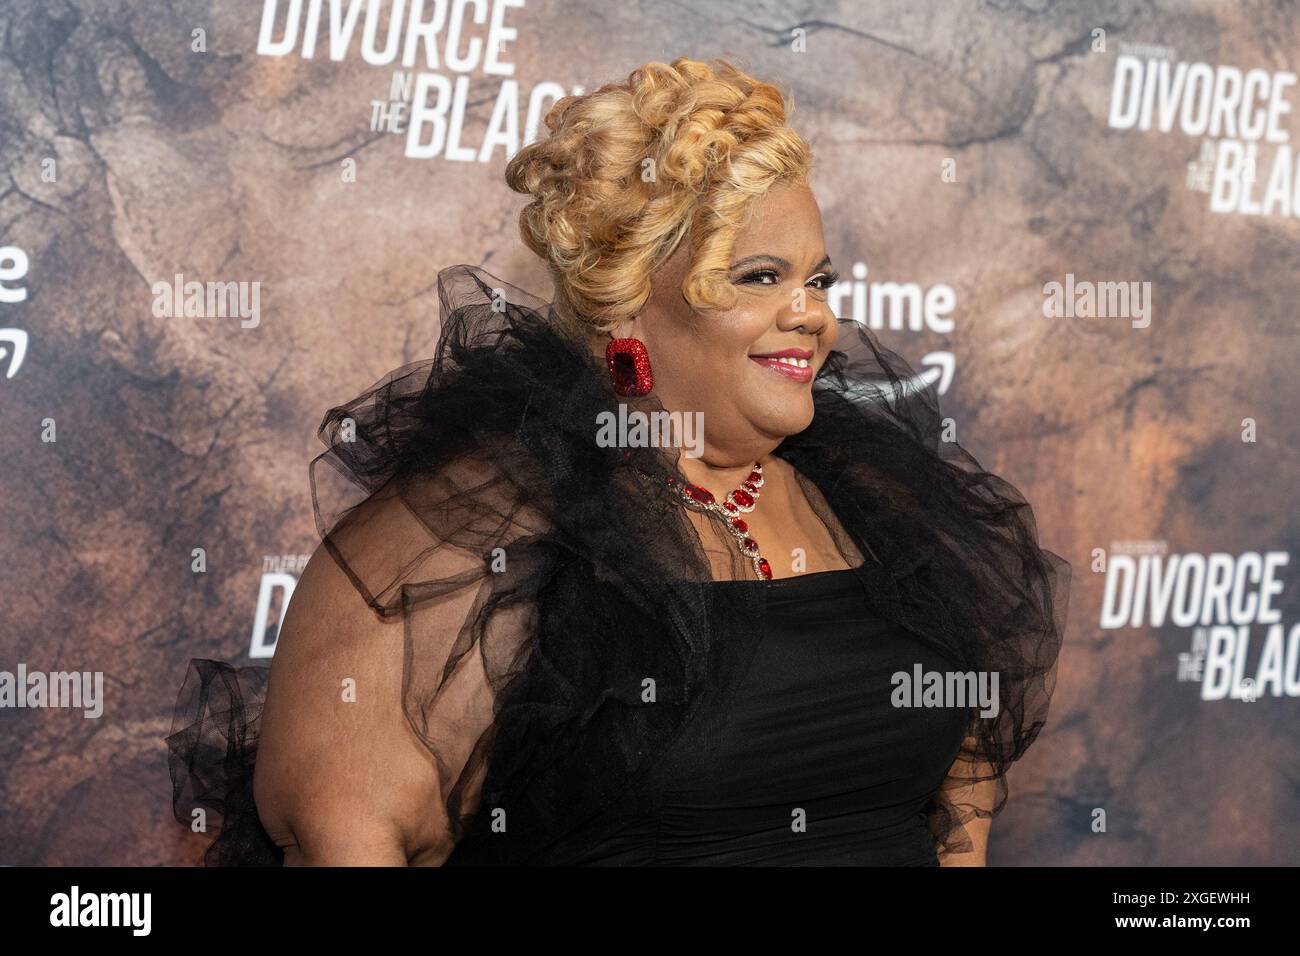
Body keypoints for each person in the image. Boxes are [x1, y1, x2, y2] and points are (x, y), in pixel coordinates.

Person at [167, 56, 1069, 866]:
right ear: (628, 307)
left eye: (819, 280)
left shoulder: (878, 501)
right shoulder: (455, 546)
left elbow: (960, 794)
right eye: (759, 278)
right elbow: (348, 828)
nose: (814, 315)